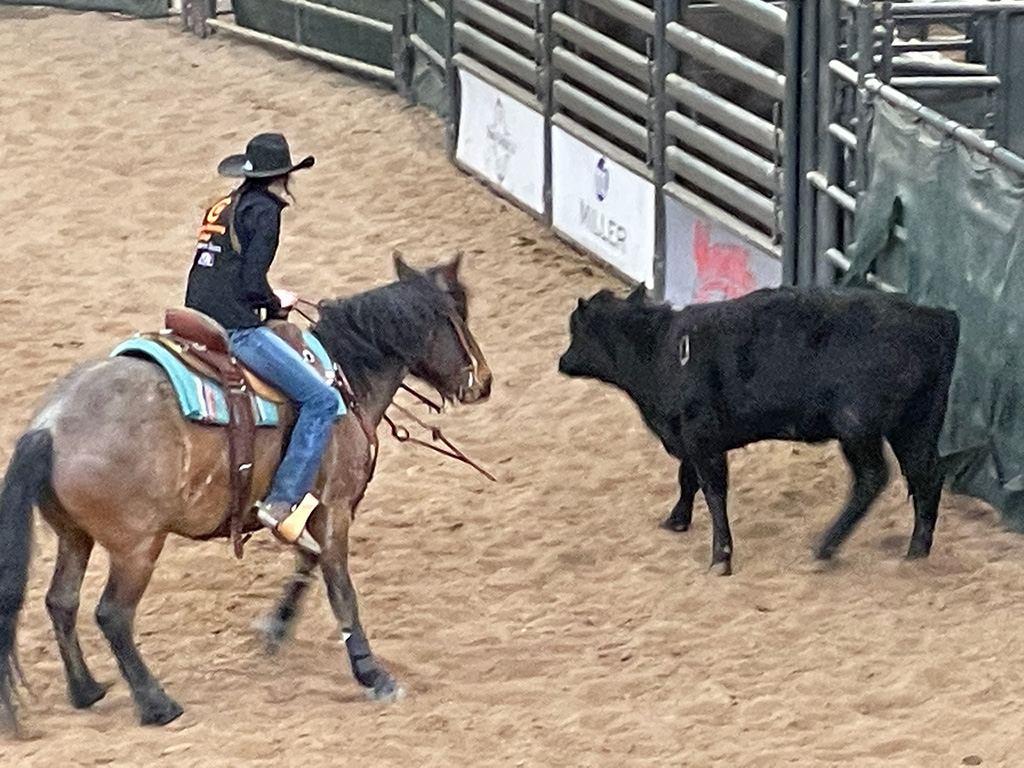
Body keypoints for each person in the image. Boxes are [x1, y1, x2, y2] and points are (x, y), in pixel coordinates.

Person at [184, 132, 341, 556]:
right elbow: (252, 285)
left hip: (194, 318)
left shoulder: (225, 204)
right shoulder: (266, 212)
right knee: (322, 401)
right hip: (233, 328)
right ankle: (283, 500)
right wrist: (277, 301)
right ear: (284, 176)